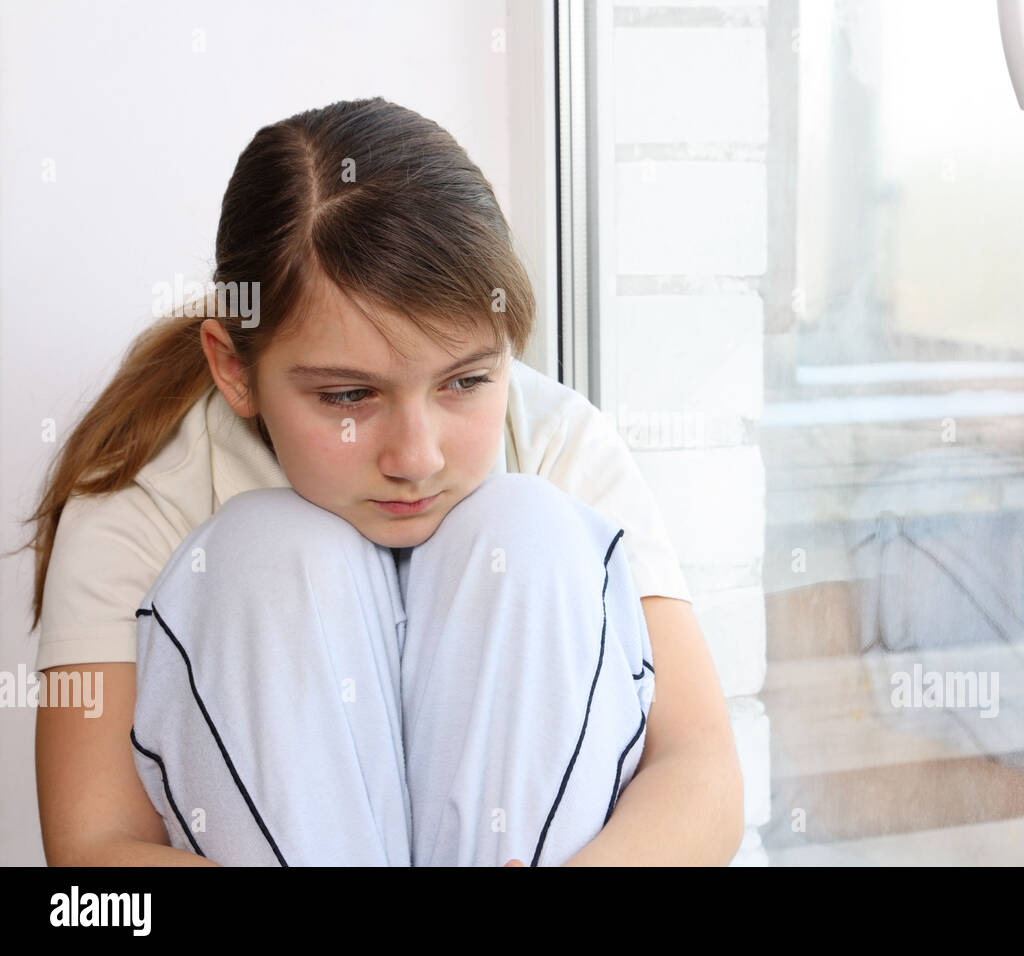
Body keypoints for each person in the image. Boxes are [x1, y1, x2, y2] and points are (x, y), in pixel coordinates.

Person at [19, 96, 744, 866]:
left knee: (526, 527)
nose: (417, 456)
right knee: (273, 552)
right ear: (235, 368)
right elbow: (92, 852)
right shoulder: (144, 491)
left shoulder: (558, 441)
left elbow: (700, 768)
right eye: (348, 397)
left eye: (465, 381)